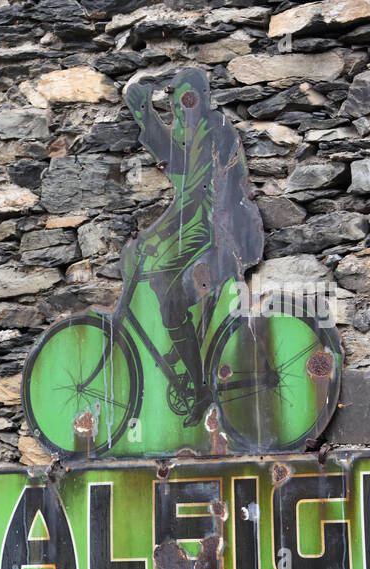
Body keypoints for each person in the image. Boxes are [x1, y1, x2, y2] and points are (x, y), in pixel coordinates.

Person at [118, 68, 264, 426]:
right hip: (208, 231)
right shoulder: (199, 131)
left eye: (185, 101)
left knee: (173, 300)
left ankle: (201, 391)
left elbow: (194, 193)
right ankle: (184, 343)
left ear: (199, 98)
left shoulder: (213, 129)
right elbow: (179, 165)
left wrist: (151, 237)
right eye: (177, 102)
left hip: (226, 237)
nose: (182, 110)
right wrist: (146, 116)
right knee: (157, 281)